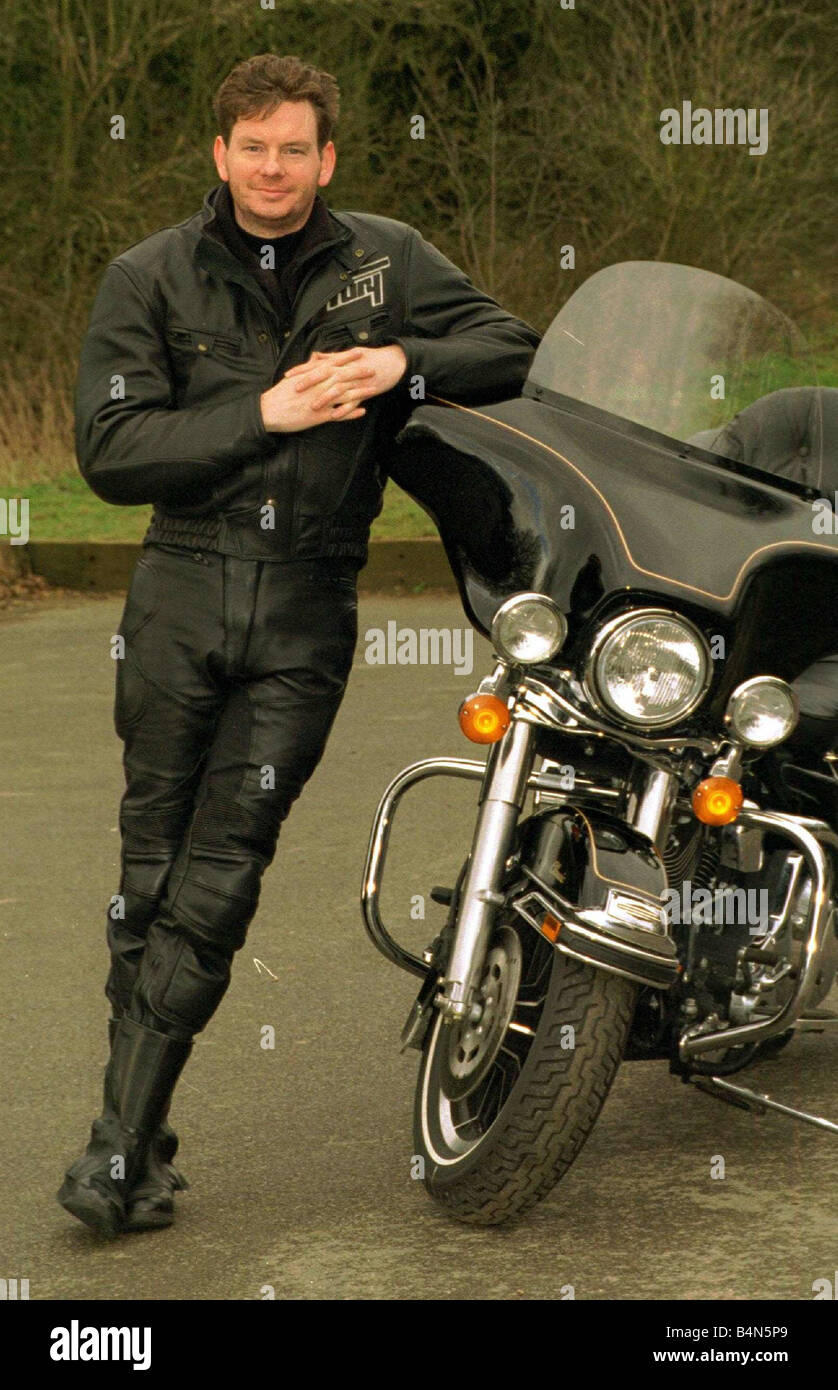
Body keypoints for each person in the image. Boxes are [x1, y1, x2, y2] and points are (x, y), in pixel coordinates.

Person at [56, 52, 541, 1237]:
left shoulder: (390, 261)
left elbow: (519, 347)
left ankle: (115, 1148)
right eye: (252, 147)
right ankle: (138, 1132)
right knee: (147, 883)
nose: (274, 169)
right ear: (220, 155)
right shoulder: (148, 275)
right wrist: (260, 412)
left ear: (328, 160)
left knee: (218, 882)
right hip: (177, 590)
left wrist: (400, 363)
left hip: (307, 607)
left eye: (296, 149)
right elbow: (112, 456)